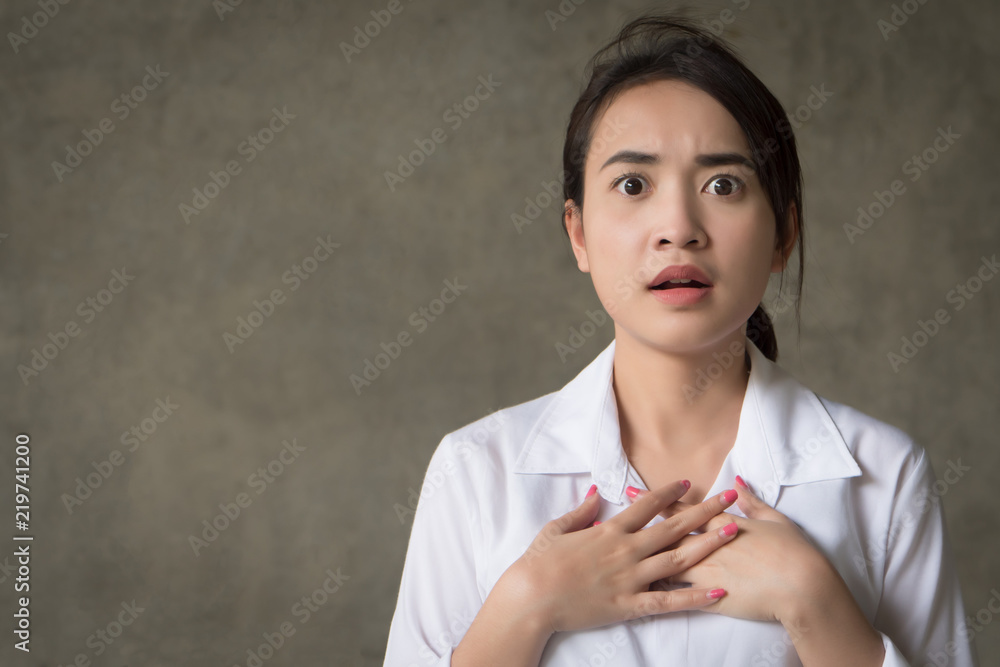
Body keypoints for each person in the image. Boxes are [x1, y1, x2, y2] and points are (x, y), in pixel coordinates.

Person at [383, 12, 978, 667]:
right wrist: (526, 604)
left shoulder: (887, 476)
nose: (678, 227)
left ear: (783, 235)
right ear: (577, 232)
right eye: (633, 184)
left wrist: (815, 603)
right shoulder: (475, 471)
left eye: (723, 184)